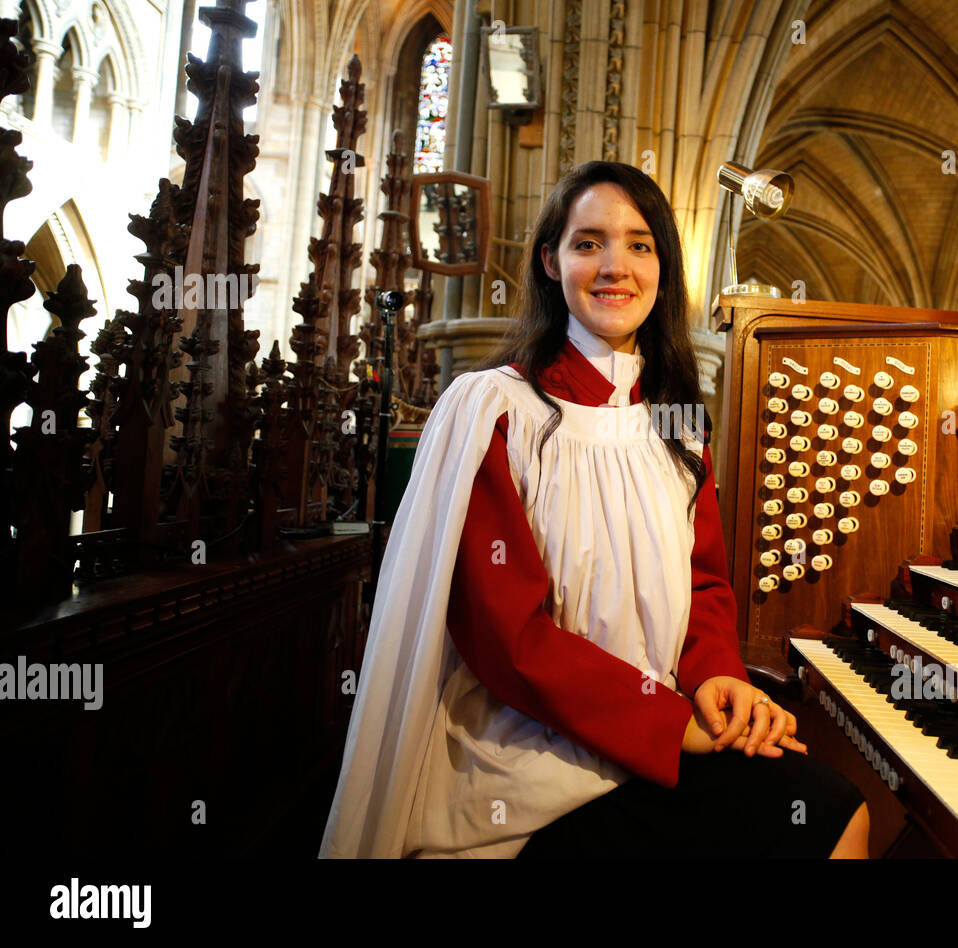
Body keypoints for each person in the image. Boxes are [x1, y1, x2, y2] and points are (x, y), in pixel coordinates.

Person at [319, 160, 869, 858]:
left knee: (836, 813)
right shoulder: (493, 409)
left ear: (664, 267)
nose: (616, 266)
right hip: (527, 753)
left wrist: (718, 674)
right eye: (588, 243)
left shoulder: (675, 421)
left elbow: (704, 583)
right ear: (550, 262)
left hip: (663, 724)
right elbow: (506, 636)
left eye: (640, 245)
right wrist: (669, 724)